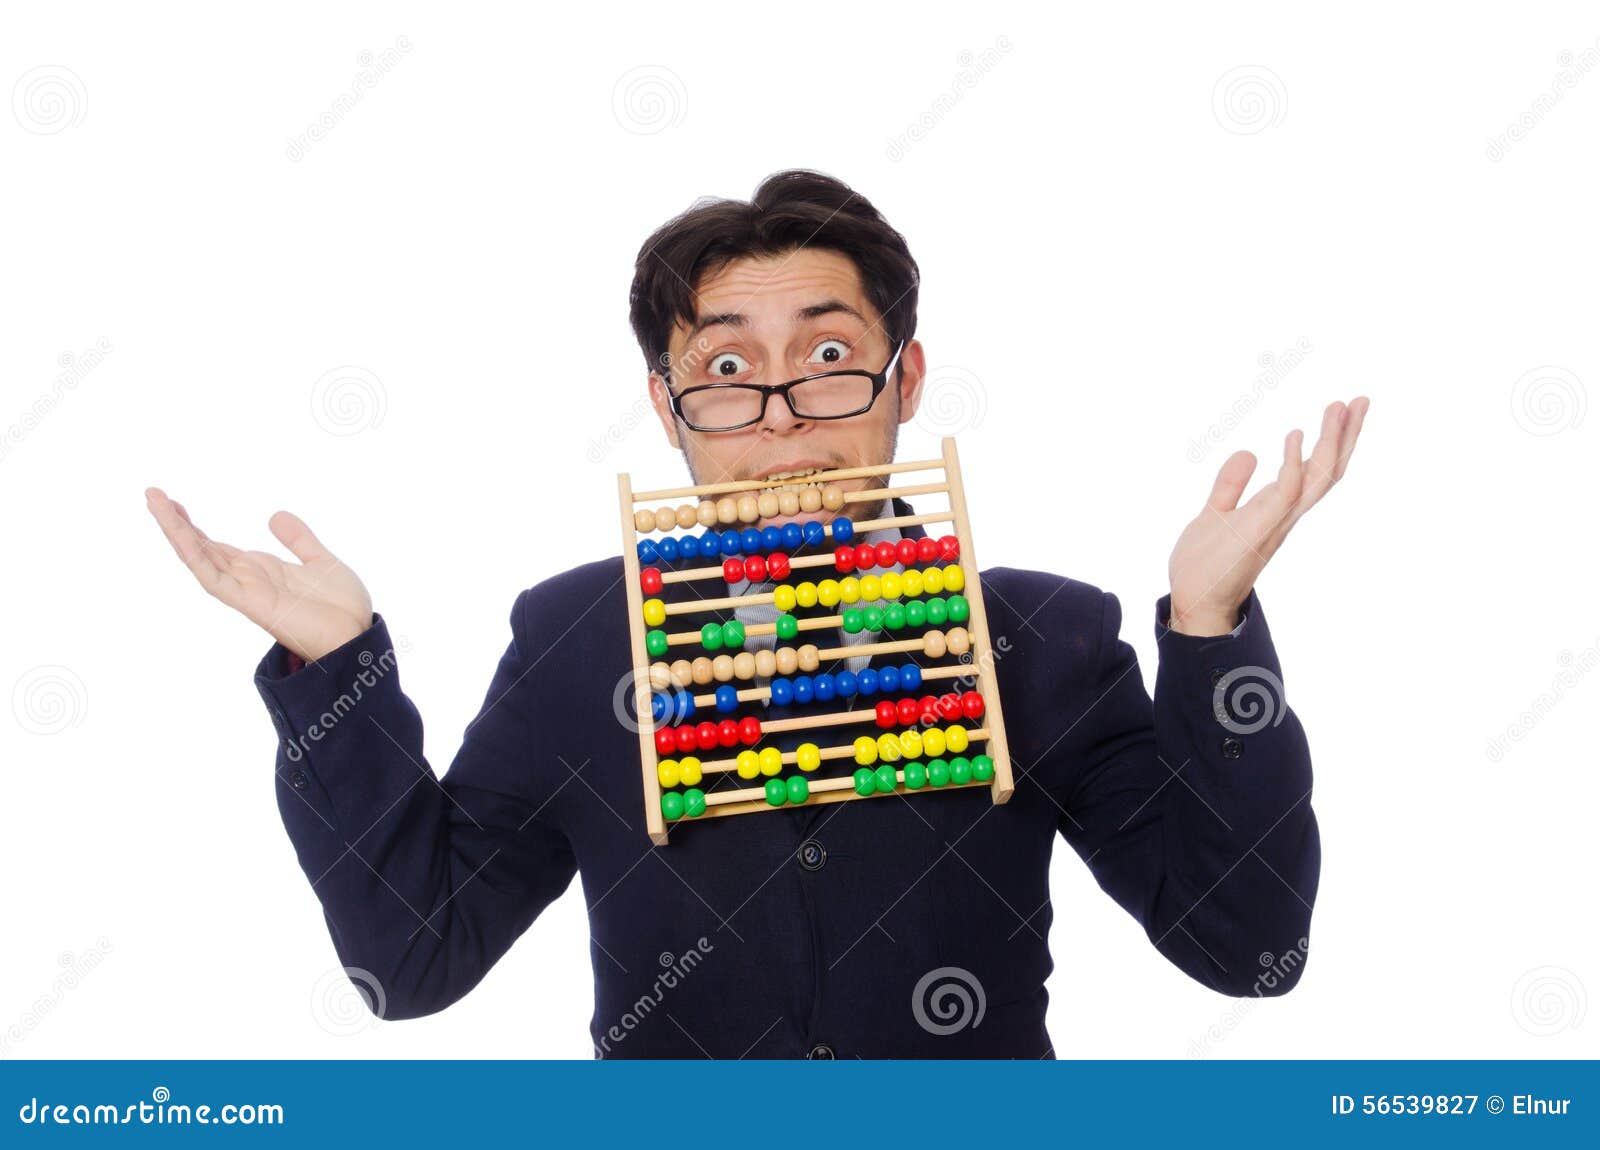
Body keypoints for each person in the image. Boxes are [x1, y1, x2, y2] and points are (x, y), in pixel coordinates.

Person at [146, 170, 1369, 1058]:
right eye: (726, 372)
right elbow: (413, 961)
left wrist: (1208, 632)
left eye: (830, 356)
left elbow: (1248, 948)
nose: (782, 414)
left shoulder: (1044, 640)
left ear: (909, 382)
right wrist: (337, 675)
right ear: (667, 409)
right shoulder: (578, 644)